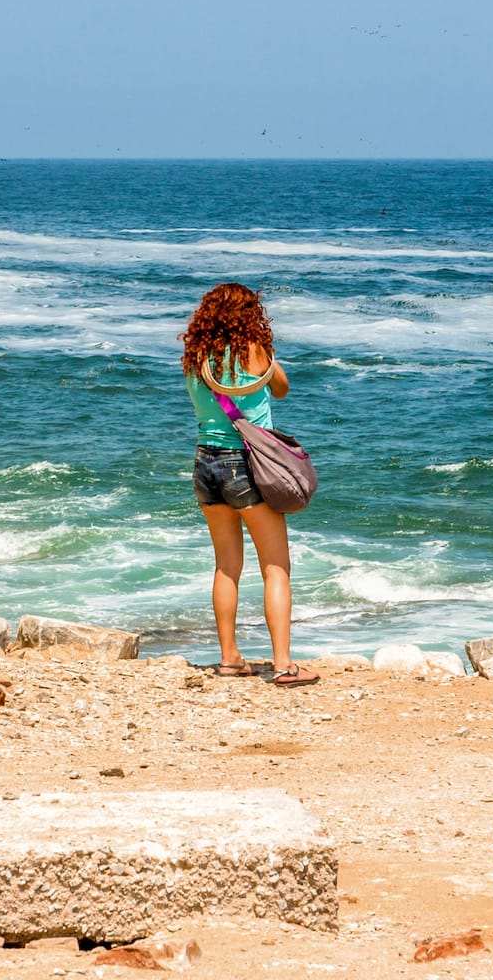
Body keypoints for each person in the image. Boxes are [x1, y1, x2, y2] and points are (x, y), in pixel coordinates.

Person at [180, 283, 318, 687]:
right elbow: (282, 388)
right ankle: (284, 665)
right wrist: (262, 352)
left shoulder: (195, 358)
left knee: (227, 565)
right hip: (247, 464)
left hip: (205, 463)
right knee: (276, 567)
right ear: (250, 316)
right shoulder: (256, 352)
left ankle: (228, 659)